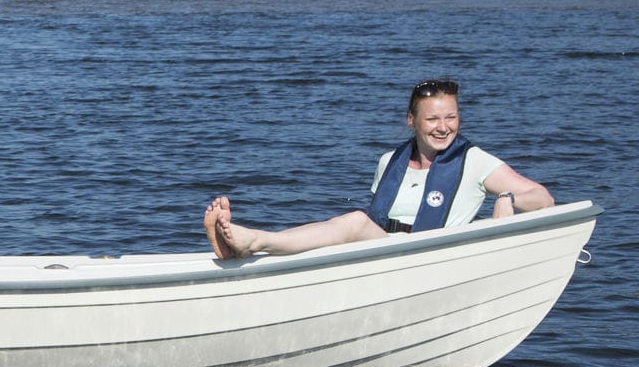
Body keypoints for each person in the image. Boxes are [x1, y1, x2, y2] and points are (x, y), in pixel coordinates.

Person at [203, 78, 554, 259]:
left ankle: (258, 240)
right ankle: (251, 248)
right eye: (432, 119)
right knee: (344, 227)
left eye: (451, 117)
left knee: (354, 222)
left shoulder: (475, 161)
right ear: (412, 121)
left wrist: (507, 197)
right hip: (387, 254)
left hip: (434, 258)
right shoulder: (389, 161)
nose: (443, 127)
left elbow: (542, 198)